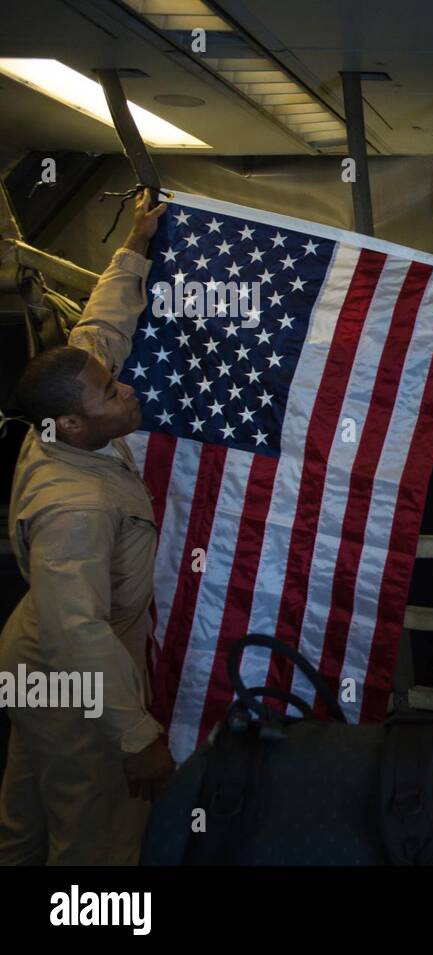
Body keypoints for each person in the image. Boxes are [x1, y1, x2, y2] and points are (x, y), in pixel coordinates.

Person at [0, 189, 174, 864]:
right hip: (71, 680)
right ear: (74, 423)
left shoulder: (59, 422)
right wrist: (134, 734)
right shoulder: (73, 510)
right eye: (111, 392)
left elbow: (99, 332)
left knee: (24, 822)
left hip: (33, 657)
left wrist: (134, 244)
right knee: (93, 837)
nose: (125, 388)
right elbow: (80, 631)